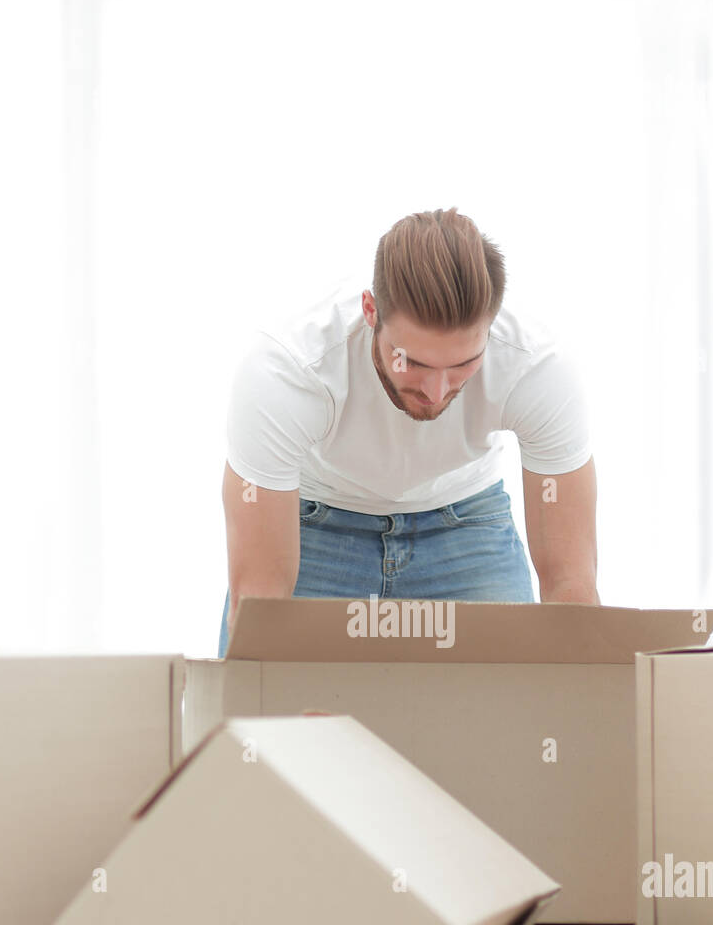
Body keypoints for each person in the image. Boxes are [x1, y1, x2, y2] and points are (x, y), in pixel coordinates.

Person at [218, 207, 598, 656]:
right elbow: (259, 600)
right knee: (266, 712)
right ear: (370, 310)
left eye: (462, 365)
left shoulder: (537, 369)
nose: (437, 392)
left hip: (466, 523)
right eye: (413, 363)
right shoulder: (287, 371)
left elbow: (571, 588)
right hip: (316, 525)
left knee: (513, 712)